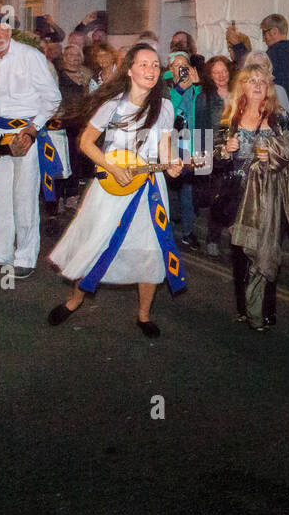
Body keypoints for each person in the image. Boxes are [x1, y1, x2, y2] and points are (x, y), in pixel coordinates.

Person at [47, 44, 184, 338]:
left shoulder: (165, 107)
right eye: (143, 64)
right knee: (96, 242)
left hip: (149, 188)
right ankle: (74, 301)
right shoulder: (113, 105)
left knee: (150, 249)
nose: (150, 70)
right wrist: (110, 166)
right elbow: (85, 142)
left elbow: (164, 148)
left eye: (155, 66)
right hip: (112, 184)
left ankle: (144, 315)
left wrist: (172, 164)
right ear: (130, 69)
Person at [214, 65, 289, 332]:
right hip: (236, 195)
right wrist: (225, 151)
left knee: (267, 252)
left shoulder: (279, 117)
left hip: (268, 195)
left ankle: (266, 310)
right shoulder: (230, 117)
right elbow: (215, 158)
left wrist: (274, 154)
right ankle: (244, 308)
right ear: (242, 86)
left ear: (268, 87)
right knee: (241, 254)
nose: (256, 86)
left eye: (261, 82)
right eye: (251, 81)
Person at [0, 8, 63, 278]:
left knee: (24, 196)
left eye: (1, 30)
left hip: (25, 132)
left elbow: (52, 98)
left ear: (10, 31)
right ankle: (0, 252)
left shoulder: (30, 56)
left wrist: (33, 130)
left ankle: (25, 257)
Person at [195, 55, 234, 255]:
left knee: (236, 196)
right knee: (217, 198)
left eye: (224, 71)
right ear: (210, 75)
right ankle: (213, 239)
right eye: (216, 72)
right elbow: (200, 128)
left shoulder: (238, 94)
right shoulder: (204, 97)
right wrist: (202, 157)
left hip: (237, 153)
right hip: (215, 156)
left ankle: (236, 238)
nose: (221, 75)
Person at [166, 50, 201, 248]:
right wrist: (179, 89)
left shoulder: (195, 87)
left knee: (188, 192)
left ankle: (188, 232)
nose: (182, 68)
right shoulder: (166, 88)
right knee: (170, 191)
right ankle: (167, 229)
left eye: (184, 64)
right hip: (170, 148)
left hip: (190, 146)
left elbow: (201, 107)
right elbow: (167, 111)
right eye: (177, 65)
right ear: (171, 70)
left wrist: (196, 86)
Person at [55, 35, 93, 207]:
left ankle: (73, 194)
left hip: (82, 122)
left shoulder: (87, 74)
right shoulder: (58, 76)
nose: (74, 59)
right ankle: (60, 196)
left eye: (77, 56)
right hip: (64, 121)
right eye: (70, 55)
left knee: (78, 160)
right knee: (64, 159)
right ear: (64, 58)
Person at [260, 13, 289, 111]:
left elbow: (255, 74)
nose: (263, 38)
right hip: (285, 106)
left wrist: (239, 47)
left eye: (264, 33)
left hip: (273, 107)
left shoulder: (275, 52)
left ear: (274, 31)